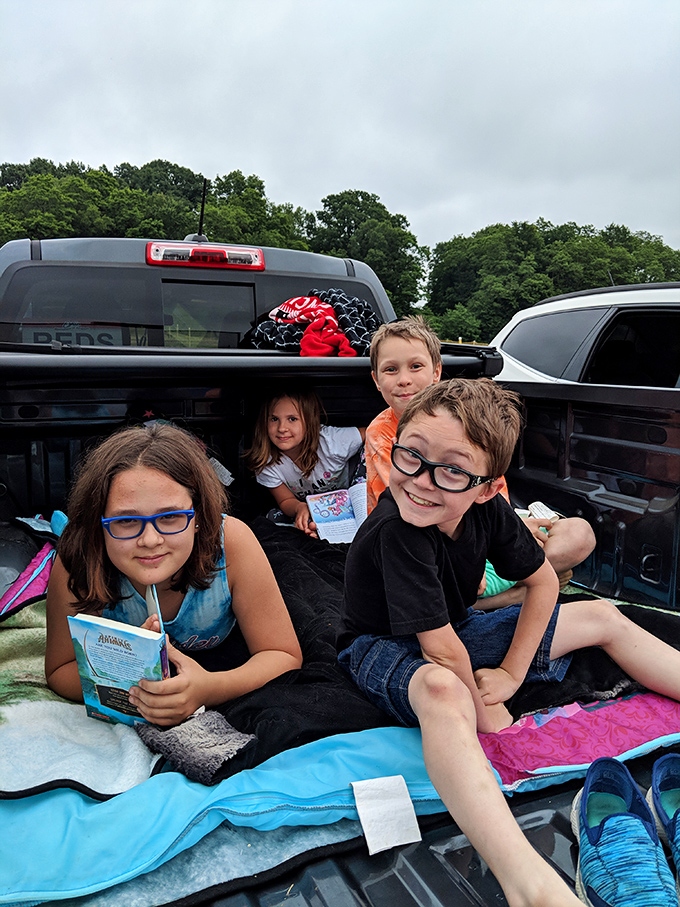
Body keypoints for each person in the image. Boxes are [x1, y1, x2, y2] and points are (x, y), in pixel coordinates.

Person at [338, 378, 680, 907]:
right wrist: (488, 717)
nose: (422, 481)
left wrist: (513, 674)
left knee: (600, 614)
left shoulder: (489, 511)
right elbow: (441, 653)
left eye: (452, 469)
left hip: (459, 627)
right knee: (441, 690)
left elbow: (543, 581)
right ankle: (528, 884)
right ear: (394, 448)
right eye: (411, 456)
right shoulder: (397, 530)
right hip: (382, 646)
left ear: (485, 487)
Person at [45, 423, 302, 727]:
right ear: (97, 522)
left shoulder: (231, 542)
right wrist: (141, 691)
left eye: (170, 517)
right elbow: (60, 669)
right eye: (126, 521)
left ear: (198, 516)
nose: (150, 540)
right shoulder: (79, 559)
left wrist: (208, 689)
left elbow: (282, 654)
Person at [365, 316, 595, 606]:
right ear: (376, 379)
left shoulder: (461, 417)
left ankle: (518, 581)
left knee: (580, 533)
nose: (404, 379)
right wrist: (476, 554)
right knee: (450, 579)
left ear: (436, 372)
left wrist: (513, 533)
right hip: (427, 540)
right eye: (390, 369)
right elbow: (414, 507)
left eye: (415, 366)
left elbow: (493, 494)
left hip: (482, 531)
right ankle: (511, 594)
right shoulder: (381, 433)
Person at [245, 388, 365, 537]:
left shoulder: (331, 441)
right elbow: (285, 500)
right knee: (272, 519)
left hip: (351, 507)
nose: (282, 428)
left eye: (292, 419)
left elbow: (374, 432)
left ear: (309, 421)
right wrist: (299, 508)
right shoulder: (267, 462)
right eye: (274, 419)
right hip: (312, 511)